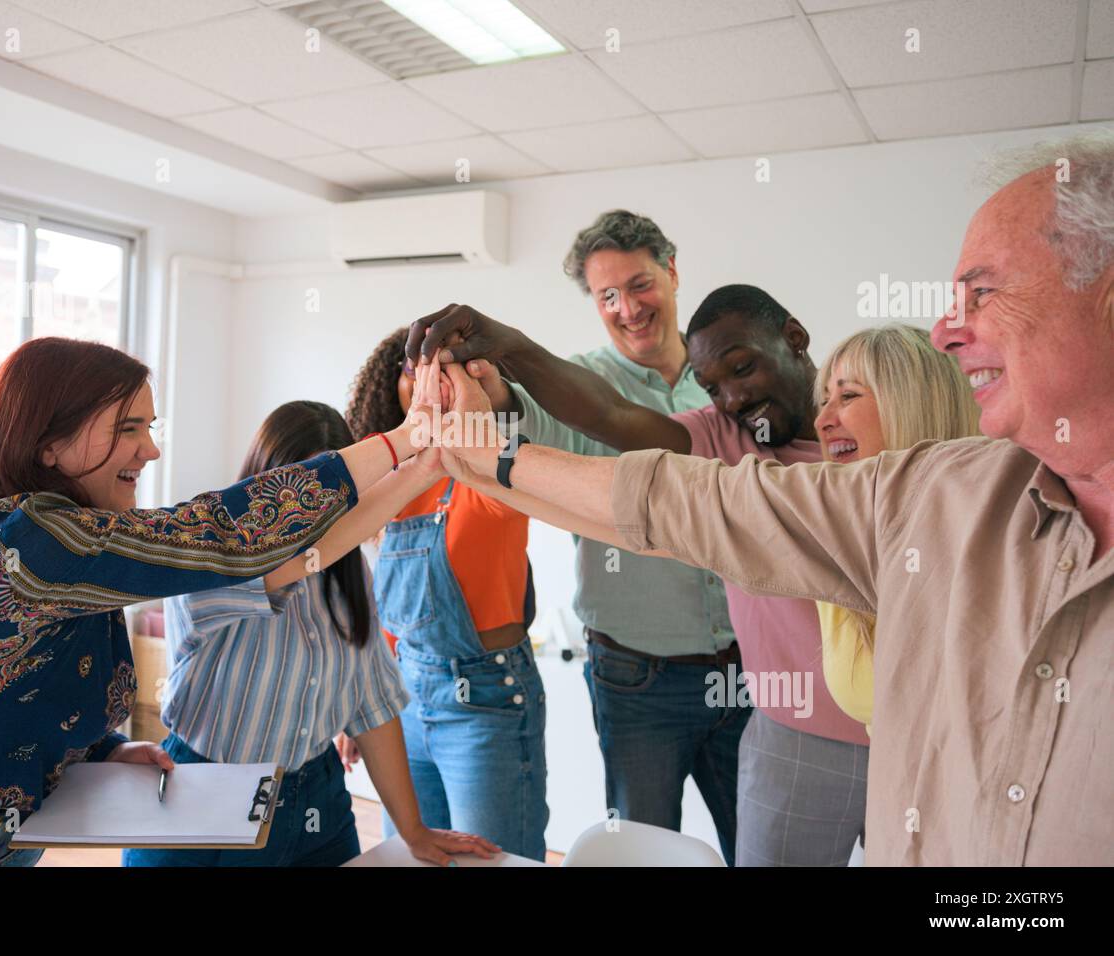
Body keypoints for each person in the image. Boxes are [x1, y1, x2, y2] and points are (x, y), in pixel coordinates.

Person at [423, 133, 1114, 865]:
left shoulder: (921, 480)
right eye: (606, 296)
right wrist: (482, 448)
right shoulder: (746, 439)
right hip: (712, 701)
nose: (950, 330)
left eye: (984, 293)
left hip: (814, 713)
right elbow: (662, 489)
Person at [0, 336, 442, 867]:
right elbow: (229, 532)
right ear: (48, 446)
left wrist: (105, 747)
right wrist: (406, 442)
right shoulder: (27, 542)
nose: (151, 449)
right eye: (127, 429)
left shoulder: (73, 546)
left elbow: (23, 691)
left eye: (149, 427)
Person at [411, 286, 873, 866]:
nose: (732, 397)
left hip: (899, 729)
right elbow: (608, 417)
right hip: (787, 730)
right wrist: (509, 351)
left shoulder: (872, 431)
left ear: (795, 339)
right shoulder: (718, 437)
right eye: (713, 386)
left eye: (744, 368)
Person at [123, 401, 497, 867]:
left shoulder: (351, 574)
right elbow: (290, 562)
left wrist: (413, 831)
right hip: (207, 790)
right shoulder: (212, 556)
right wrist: (423, 463)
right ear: (262, 485)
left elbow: (373, 704)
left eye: (331, 494)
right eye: (302, 493)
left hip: (315, 792)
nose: (313, 512)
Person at [346, 329, 548, 861]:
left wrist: (479, 404)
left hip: (485, 703)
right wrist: (363, 705)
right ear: (392, 384)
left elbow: (510, 432)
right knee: (413, 855)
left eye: (445, 371)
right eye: (415, 370)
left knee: (492, 858)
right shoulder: (393, 483)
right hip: (404, 696)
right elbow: (393, 612)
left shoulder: (491, 473)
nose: (428, 383)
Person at [811, 325, 980, 732]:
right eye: (822, 401)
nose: (822, 421)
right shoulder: (832, 536)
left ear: (914, 405)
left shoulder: (994, 537)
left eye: (848, 396)